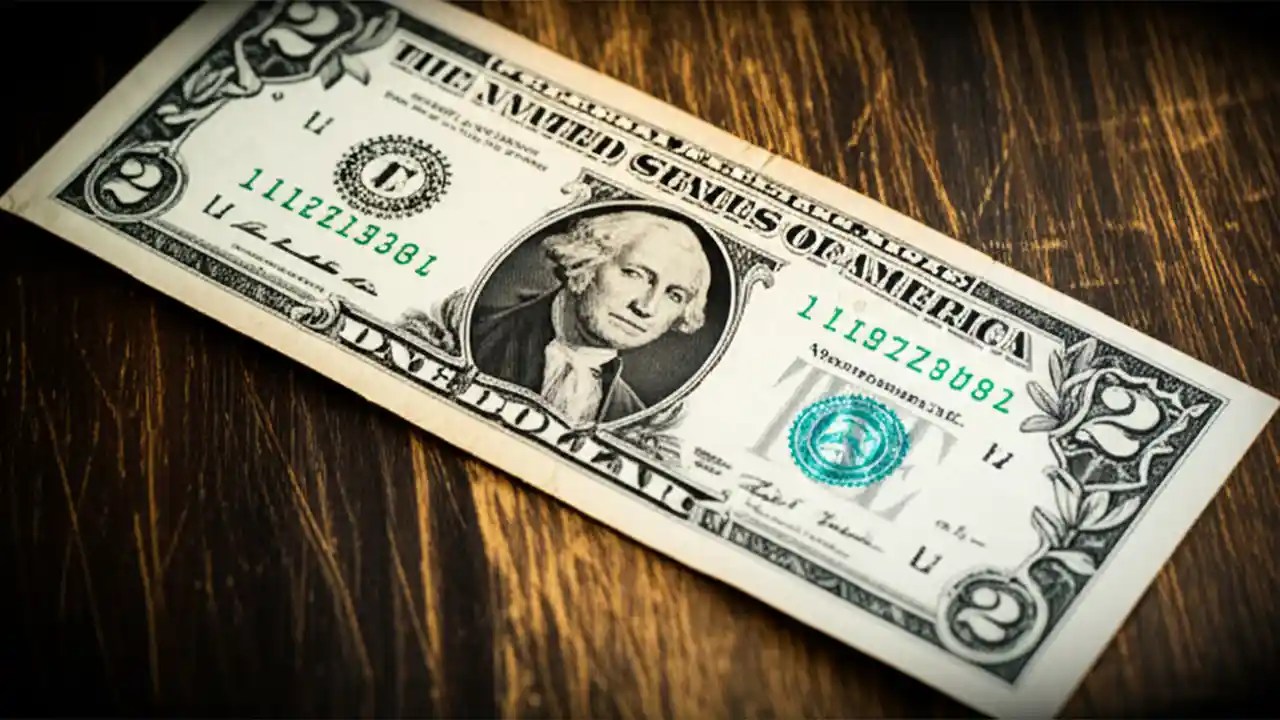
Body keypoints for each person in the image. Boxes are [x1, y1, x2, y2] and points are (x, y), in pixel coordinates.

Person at [469, 208, 713, 424]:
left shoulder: (630, 417)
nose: (646, 307)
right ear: (586, 265)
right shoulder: (471, 333)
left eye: (674, 295)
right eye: (634, 274)